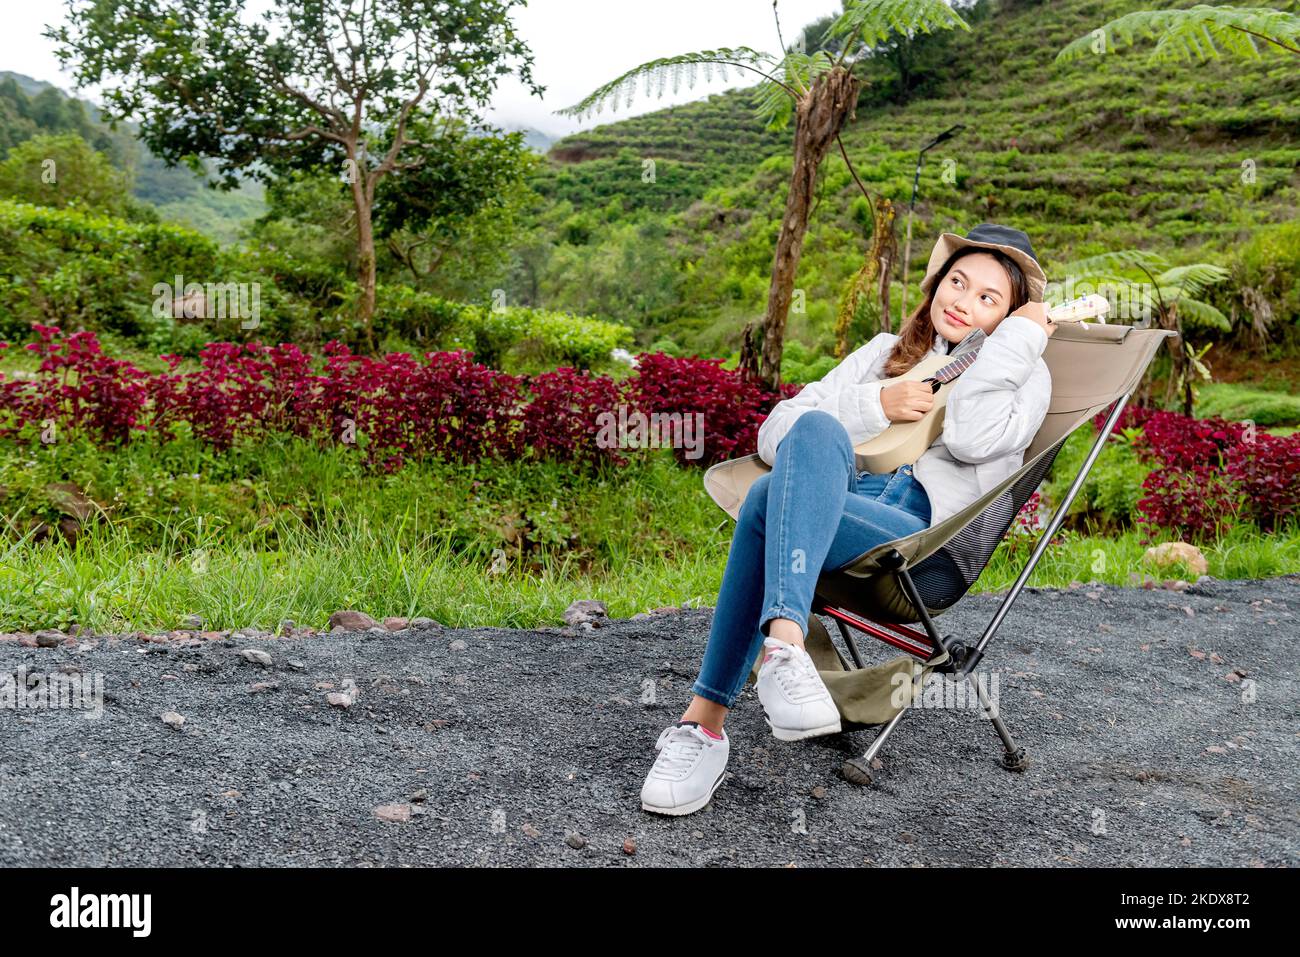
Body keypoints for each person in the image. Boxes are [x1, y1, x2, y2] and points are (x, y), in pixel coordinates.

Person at [640, 223, 1057, 816]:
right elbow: (774, 434)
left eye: (989, 298)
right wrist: (874, 404)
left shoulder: (1022, 374)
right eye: (957, 282)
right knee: (814, 428)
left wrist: (1014, 343)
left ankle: (705, 723)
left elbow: (970, 440)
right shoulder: (887, 351)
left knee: (763, 504)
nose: (963, 301)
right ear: (936, 283)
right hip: (835, 509)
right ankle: (785, 649)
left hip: (918, 546)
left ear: (1013, 316)